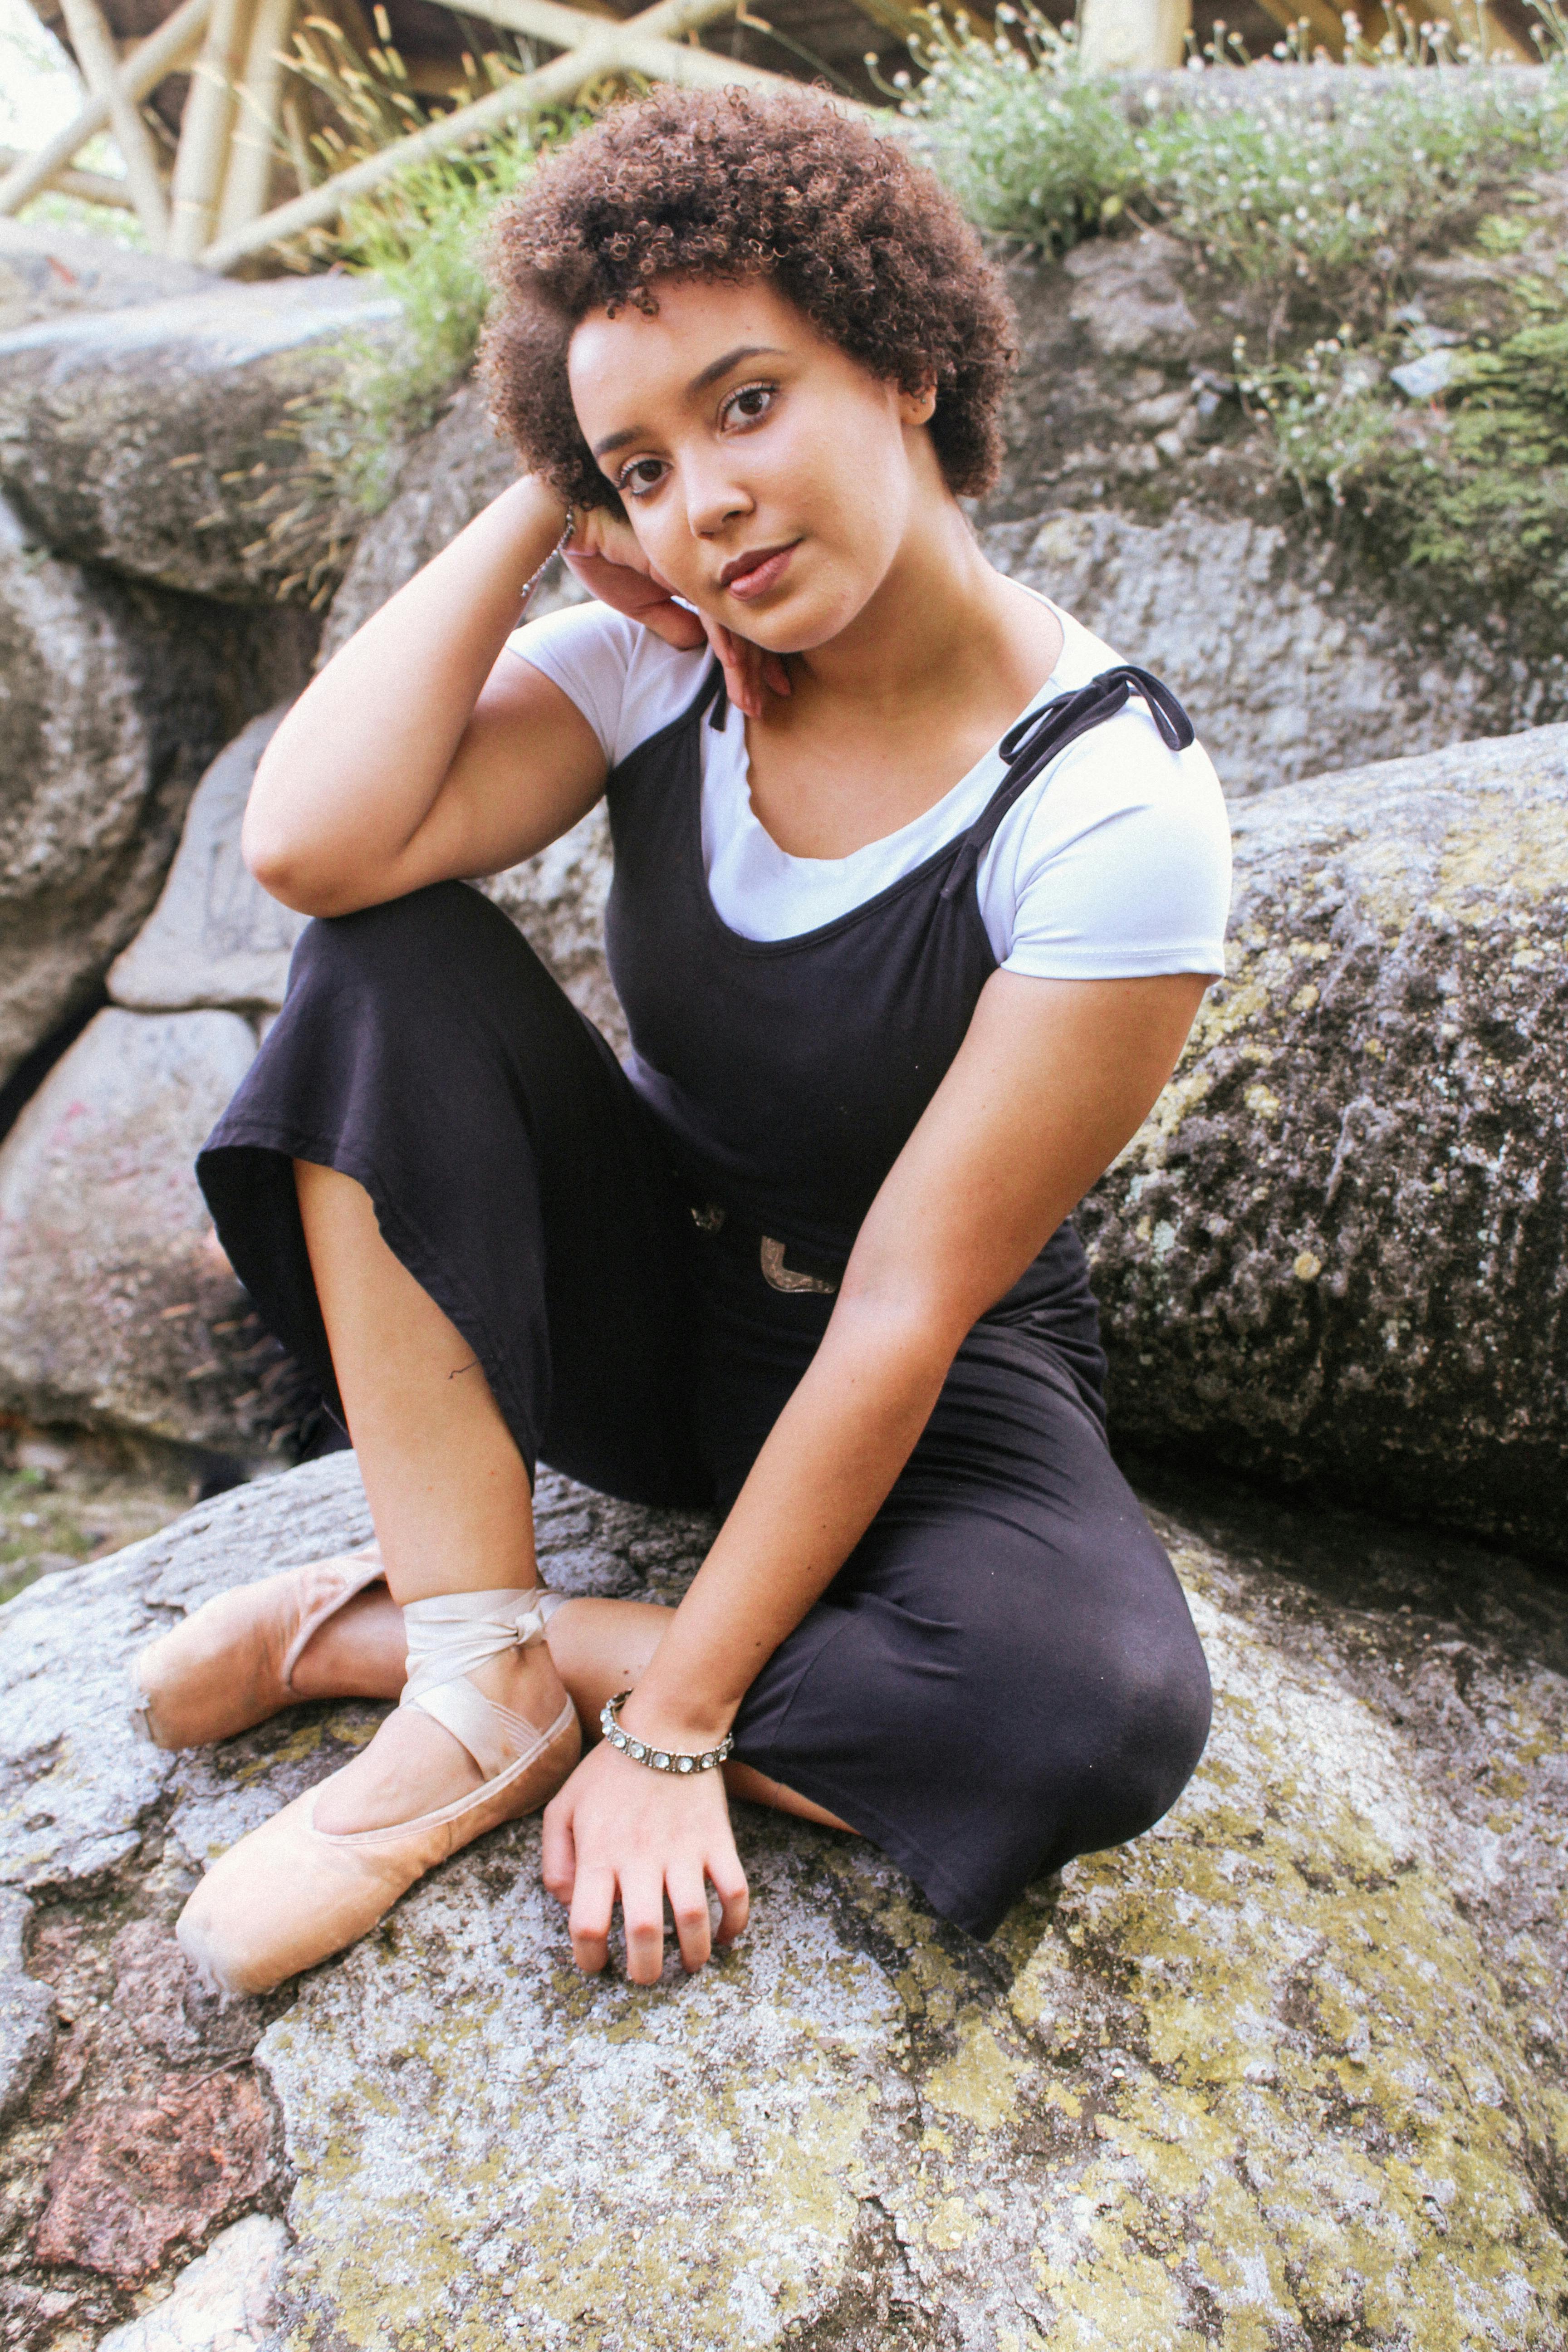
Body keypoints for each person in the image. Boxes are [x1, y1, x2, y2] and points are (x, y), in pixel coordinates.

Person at [132, 85, 1230, 2000]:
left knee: (1091, 1715)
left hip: (929, 1365)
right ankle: (475, 1696)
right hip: (632, 1302)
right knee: (384, 954)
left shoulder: (1113, 808)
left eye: (744, 403)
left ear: (901, 363)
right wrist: (543, 502)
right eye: (640, 466)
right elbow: (314, 844)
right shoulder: (661, 654)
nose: (704, 505)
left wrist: (676, 1724)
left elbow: (904, 1306)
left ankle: (452, 1643)